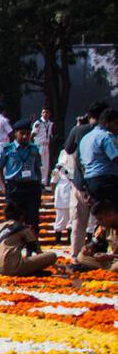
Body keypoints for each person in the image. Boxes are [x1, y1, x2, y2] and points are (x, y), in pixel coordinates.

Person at [63, 102, 108, 260]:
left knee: (78, 223)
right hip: (101, 184)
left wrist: (77, 128)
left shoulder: (79, 130)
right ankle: (101, 253)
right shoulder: (109, 133)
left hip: (79, 183)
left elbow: (68, 149)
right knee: (103, 221)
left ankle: (76, 255)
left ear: (89, 115)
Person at [0, 203, 58, 277]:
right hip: (12, 268)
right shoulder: (22, 228)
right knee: (52, 255)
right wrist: (54, 265)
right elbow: (37, 250)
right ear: (21, 216)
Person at [0, 119, 44, 234]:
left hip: (31, 187)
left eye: (28, 134)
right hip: (14, 187)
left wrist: (39, 184)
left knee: (33, 219)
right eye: (22, 133)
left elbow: (37, 168)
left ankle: (32, 247)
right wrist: (3, 186)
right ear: (15, 134)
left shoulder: (34, 149)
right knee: (12, 219)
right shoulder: (8, 149)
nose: (25, 136)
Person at [50, 150, 74, 244]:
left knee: (71, 219)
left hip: (72, 194)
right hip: (61, 195)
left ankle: (69, 239)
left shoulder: (74, 169)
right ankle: (58, 240)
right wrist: (53, 194)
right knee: (60, 218)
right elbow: (52, 181)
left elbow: (71, 176)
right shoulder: (56, 170)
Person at [32, 107, 55, 186]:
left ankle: (44, 183)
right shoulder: (38, 123)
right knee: (40, 164)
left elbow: (50, 135)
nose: (45, 114)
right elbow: (33, 134)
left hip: (46, 146)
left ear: (49, 114)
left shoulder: (50, 123)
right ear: (41, 113)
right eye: (43, 112)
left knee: (46, 165)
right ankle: (38, 182)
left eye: (47, 112)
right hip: (39, 145)